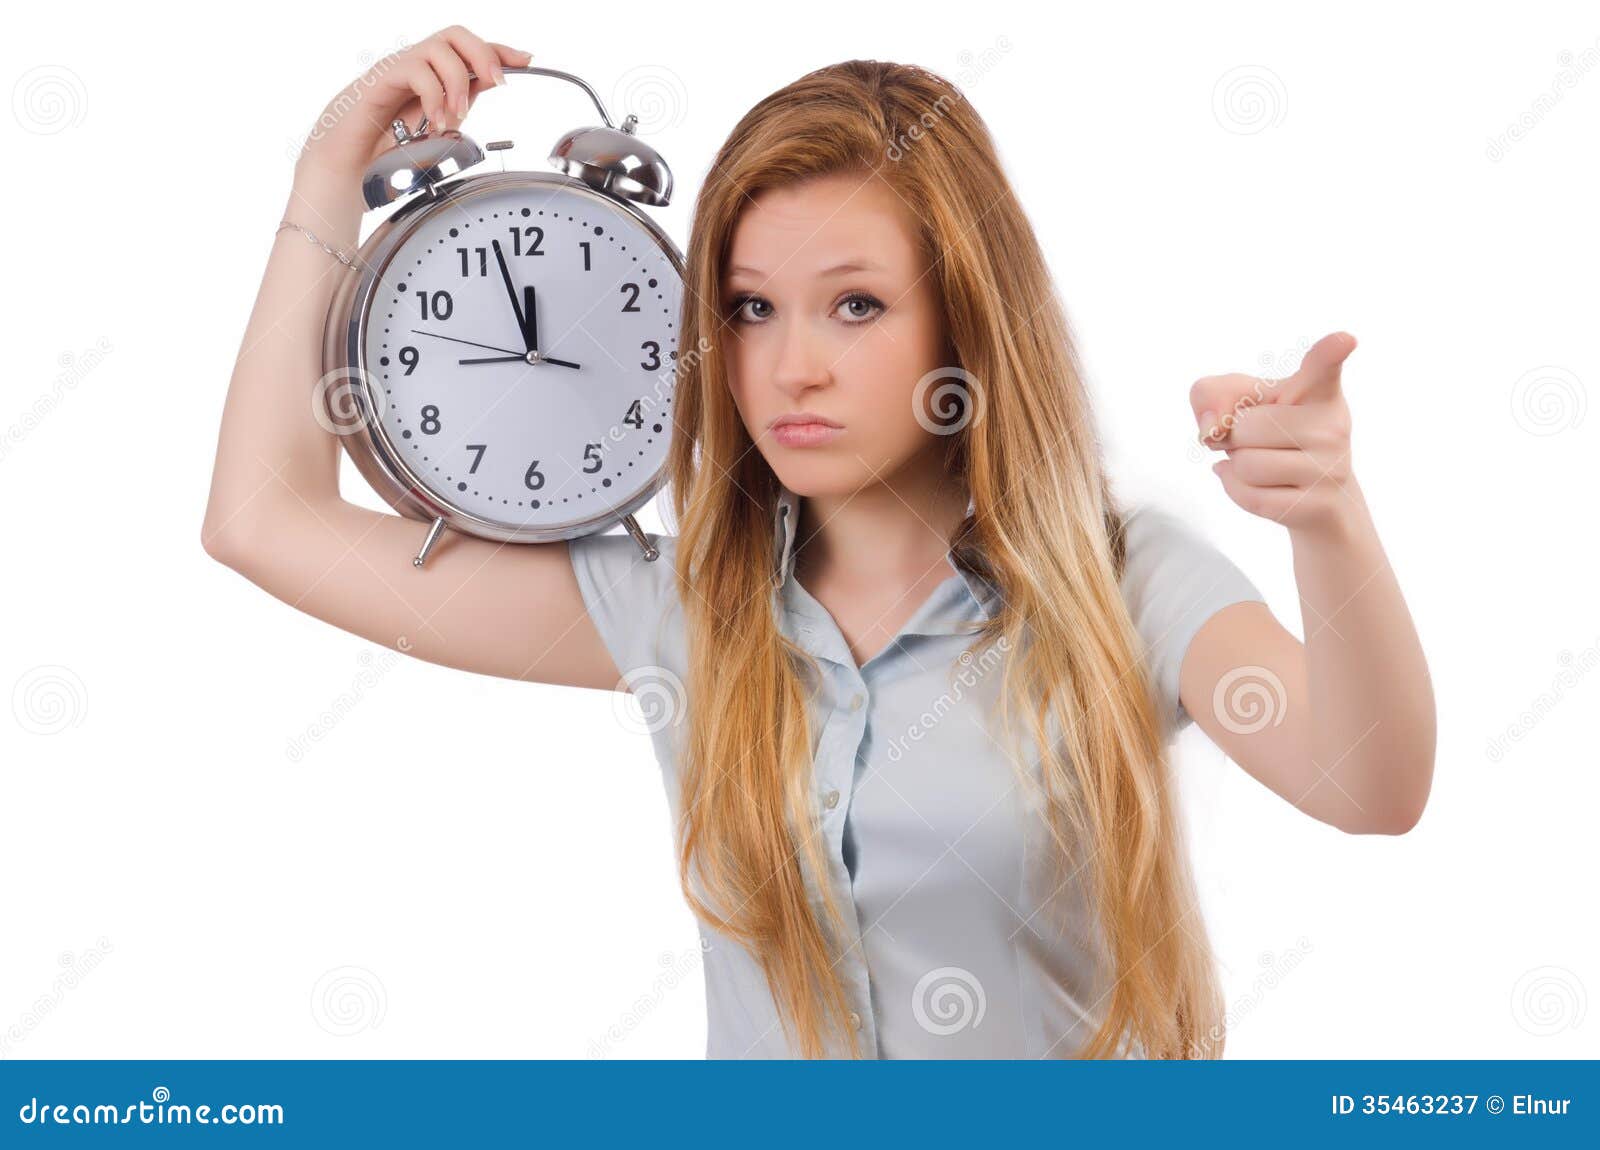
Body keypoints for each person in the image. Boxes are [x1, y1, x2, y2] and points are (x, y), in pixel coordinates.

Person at [202, 25, 1436, 1059]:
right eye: (748, 308)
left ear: (963, 317)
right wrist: (327, 180)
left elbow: (1367, 784)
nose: (791, 366)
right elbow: (264, 520)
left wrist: (1324, 513)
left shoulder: (1126, 585)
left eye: (856, 304)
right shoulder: (682, 613)